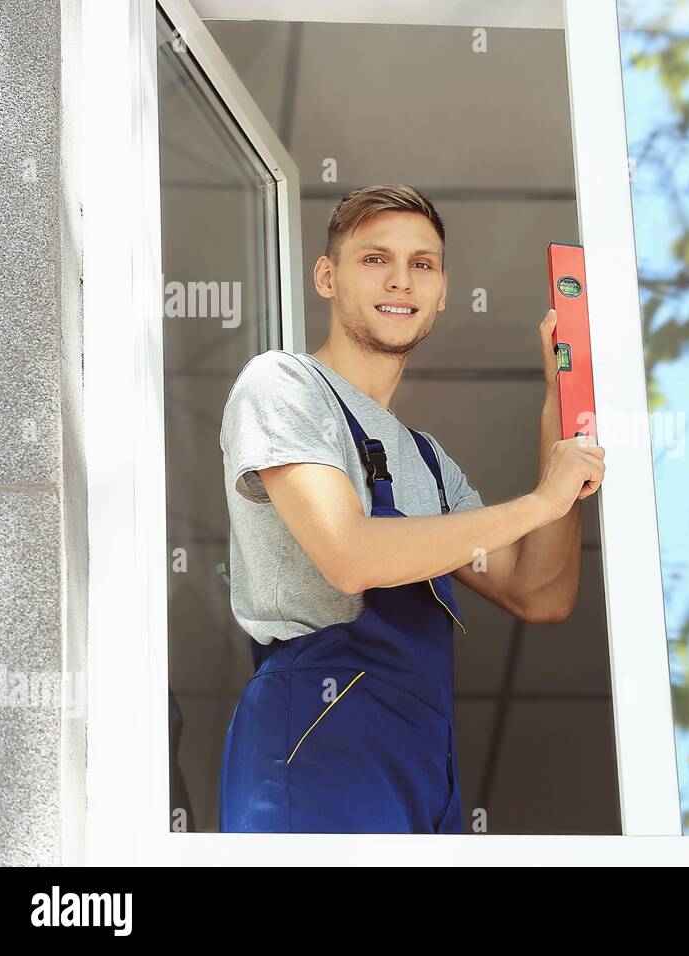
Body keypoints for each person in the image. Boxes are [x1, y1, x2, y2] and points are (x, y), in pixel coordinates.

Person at [218, 184, 604, 833]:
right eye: (375, 259)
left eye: (422, 264)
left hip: (425, 774)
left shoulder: (428, 463)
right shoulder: (283, 385)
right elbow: (349, 556)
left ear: (443, 291)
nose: (401, 279)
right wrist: (539, 502)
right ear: (326, 276)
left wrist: (560, 403)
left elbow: (540, 593)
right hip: (316, 752)